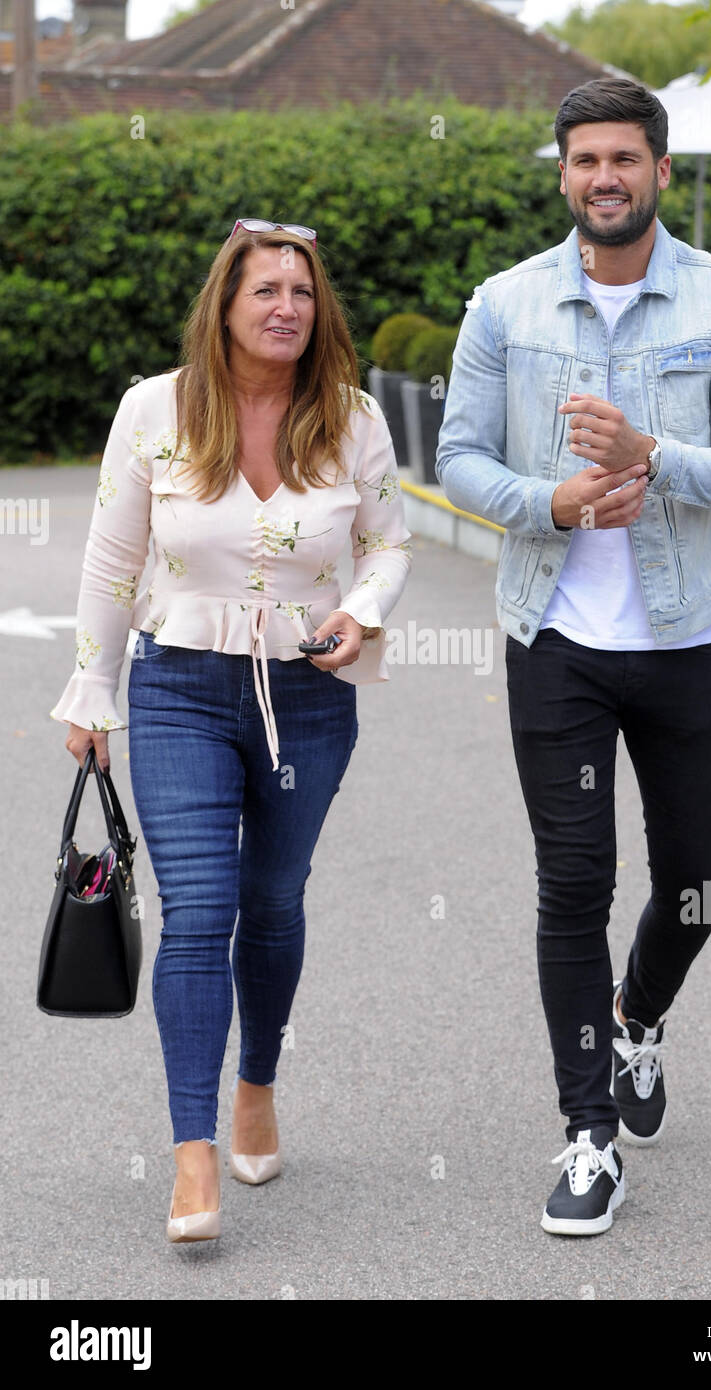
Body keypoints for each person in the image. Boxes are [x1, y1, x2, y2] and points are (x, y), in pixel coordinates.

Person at [436, 78, 711, 1236]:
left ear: (659, 173)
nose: (603, 178)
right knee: (572, 885)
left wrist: (651, 453)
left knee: (698, 881)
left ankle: (638, 1014)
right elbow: (459, 461)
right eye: (583, 159)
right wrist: (553, 500)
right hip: (559, 644)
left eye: (624, 159)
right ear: (560, 174)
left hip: (682, 638)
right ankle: (587, 1133)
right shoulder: (504, 303)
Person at [50, 219, 412, 1242]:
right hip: (178, 690)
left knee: (272, 899)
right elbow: (113, 563)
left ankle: (257, 1079)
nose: (286, 306)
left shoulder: (348, 417)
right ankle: (193, 1151)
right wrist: (92, 692)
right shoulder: (153, 411)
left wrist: (364, 610)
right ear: (226, 302)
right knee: (199, 906)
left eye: (302, 290)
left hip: (304, 695)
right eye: (265, 290)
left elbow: (389, 543)